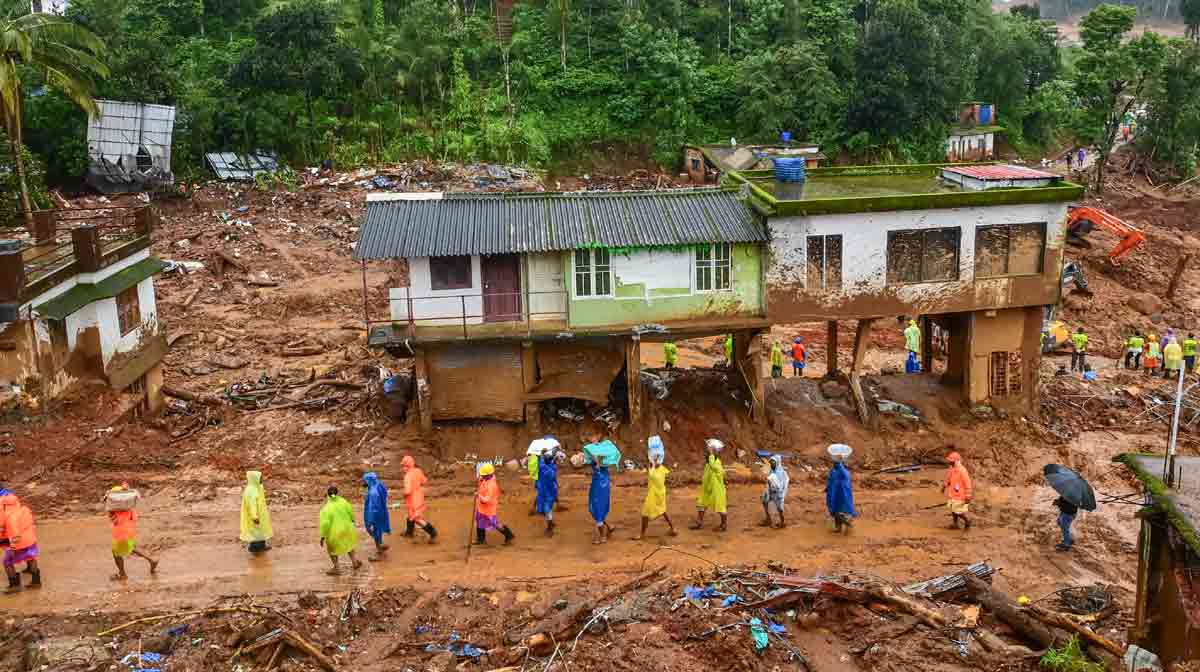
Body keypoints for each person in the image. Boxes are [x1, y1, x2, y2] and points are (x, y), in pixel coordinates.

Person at [106, 485, 158, 581]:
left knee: (116, 553)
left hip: (120, 531)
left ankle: (123, 575)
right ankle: (151, 560)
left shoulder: (115, 510)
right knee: (130, 548)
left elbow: (112, 517)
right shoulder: (130, 508)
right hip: (130, 529)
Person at [635, 436, 676, 540]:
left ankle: (642, 534)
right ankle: (673, 528)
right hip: (658, 494)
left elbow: (652, 477)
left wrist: (651, 464)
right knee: (662, 511)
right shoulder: (659, 469)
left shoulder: (656, 470)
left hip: (654, 494)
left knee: (645, 513)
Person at [583, 431, 620, 544]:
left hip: (601, 485)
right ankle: (608, 527)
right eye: (590, 436)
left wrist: (597, 463)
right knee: (594, 508)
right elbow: (588, 462)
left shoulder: (603, 459)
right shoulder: (595, 456)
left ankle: (602, 536)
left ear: (598, 436)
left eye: (593, 436)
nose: (591, 438)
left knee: (598, 508)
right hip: (598, 484)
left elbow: (598, 464)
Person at [318, 485, 362, 575]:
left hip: (335, 533)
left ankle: (337, 567)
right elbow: (351, 513)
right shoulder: (344, 502)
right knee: (349, 545)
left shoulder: (326, 509)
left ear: (328, 495)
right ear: (337, 493)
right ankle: (354, 562)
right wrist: (352, 522)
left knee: (332, 550)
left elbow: (325, 524)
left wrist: (323, 536)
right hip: (347, 529)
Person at [1, 490, 38, 591]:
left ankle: (14, 585)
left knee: (7, 562)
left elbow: (14, 534)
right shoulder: (24, 509)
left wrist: (13, 548)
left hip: (19, 542)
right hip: (31, 539)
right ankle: (36, 581)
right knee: (31, 557)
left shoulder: (10, 518)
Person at [691, 438, 728, 532]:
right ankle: (699, 523)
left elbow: (713, 465)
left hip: (716, 490)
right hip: (707, 488)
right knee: (701, 504)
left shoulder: (716, 464)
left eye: (708, 452)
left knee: (720, 507)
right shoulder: (709, 464)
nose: (706, 454)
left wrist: (711, 453)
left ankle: (724, 525)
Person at [475, 463, 514, 545]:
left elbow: (487, 499)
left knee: (494, 523)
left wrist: (478, 496)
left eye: (483, 475)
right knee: (479, 521)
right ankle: (481, 539)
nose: (482, 476)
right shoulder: (485, 479)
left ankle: (508, 535)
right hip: (481, 507)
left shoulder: (492, 485)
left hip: (488, 508)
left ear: (489, 475)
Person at [400, 457, 436, 544]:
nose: (402, 468)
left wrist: (403, 494)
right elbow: (424, 481)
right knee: (410, 515)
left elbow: (407, 491)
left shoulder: (407, 476)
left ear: (407, 466)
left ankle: (432, 532)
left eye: (403, 466)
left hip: (412, 500)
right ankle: (409, 532)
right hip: (419, 496)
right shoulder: (418, 471)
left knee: (416, 518)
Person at [239, 471, 273, 554]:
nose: (262, 479)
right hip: (255, 516)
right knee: (256, 532)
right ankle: (254, 549)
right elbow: (252, 505)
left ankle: (261, 546)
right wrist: (254, 517)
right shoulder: (252, 490)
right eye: (260, 478)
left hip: (259, 514)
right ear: (254, 479)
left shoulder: (255, 487)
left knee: (259, 531)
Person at [825, 445, 856, 533]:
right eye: (834, 463)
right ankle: (838, 528)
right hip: (833, 494)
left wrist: (839, 461)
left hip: (841, 495)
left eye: (836, 463)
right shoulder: (833, 471)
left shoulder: (844, 472)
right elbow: (831, 480)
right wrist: (827, 488)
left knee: (838, 511)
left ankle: (847, 524)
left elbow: (843, 478)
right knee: (834, 511)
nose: (834, 463)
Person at [361, 471, 391, 559]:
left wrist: (370, 521)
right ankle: (380, 546)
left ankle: (380, 552)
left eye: (365, 481)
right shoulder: (379, 485)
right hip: (382, 512)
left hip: (375, 515)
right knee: (379, 531)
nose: (364, 482)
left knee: (375, 532)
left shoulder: (373, 493)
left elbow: (372, 509)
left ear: (369, 480)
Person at [943, 451, 973, 530]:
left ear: (956, 461)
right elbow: (948, 478)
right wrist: (944, 486)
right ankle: (955, 524)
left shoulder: (962, 471)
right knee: (953, 509)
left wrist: (968, 495)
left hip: (960, 495)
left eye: (951, 461)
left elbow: (968, 483)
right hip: (953, 493)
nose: (950, 463)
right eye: (949, 461)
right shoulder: (952, 468)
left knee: (958, 511)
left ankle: (967, 521)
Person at [535, 441, 559, 537]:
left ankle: (550, 527)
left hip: (546, 491)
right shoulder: (552, 467)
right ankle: (550, 523)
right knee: (545, 509)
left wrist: (541, 454)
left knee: (546, 509)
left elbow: (540, 461)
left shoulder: (543, 467)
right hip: (549, 491)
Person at [761, 455, 789, 529]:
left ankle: (782, 522)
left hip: (778, 493)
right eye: (771, 462)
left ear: (777, 462)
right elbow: (768, 479)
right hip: (770, 490)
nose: (771, 463)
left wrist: (780, 493)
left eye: (773, 462)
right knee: (764, 501)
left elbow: (782, 485)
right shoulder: (772, 470)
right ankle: (768, 519)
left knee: (779, 508)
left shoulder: (781, 472)